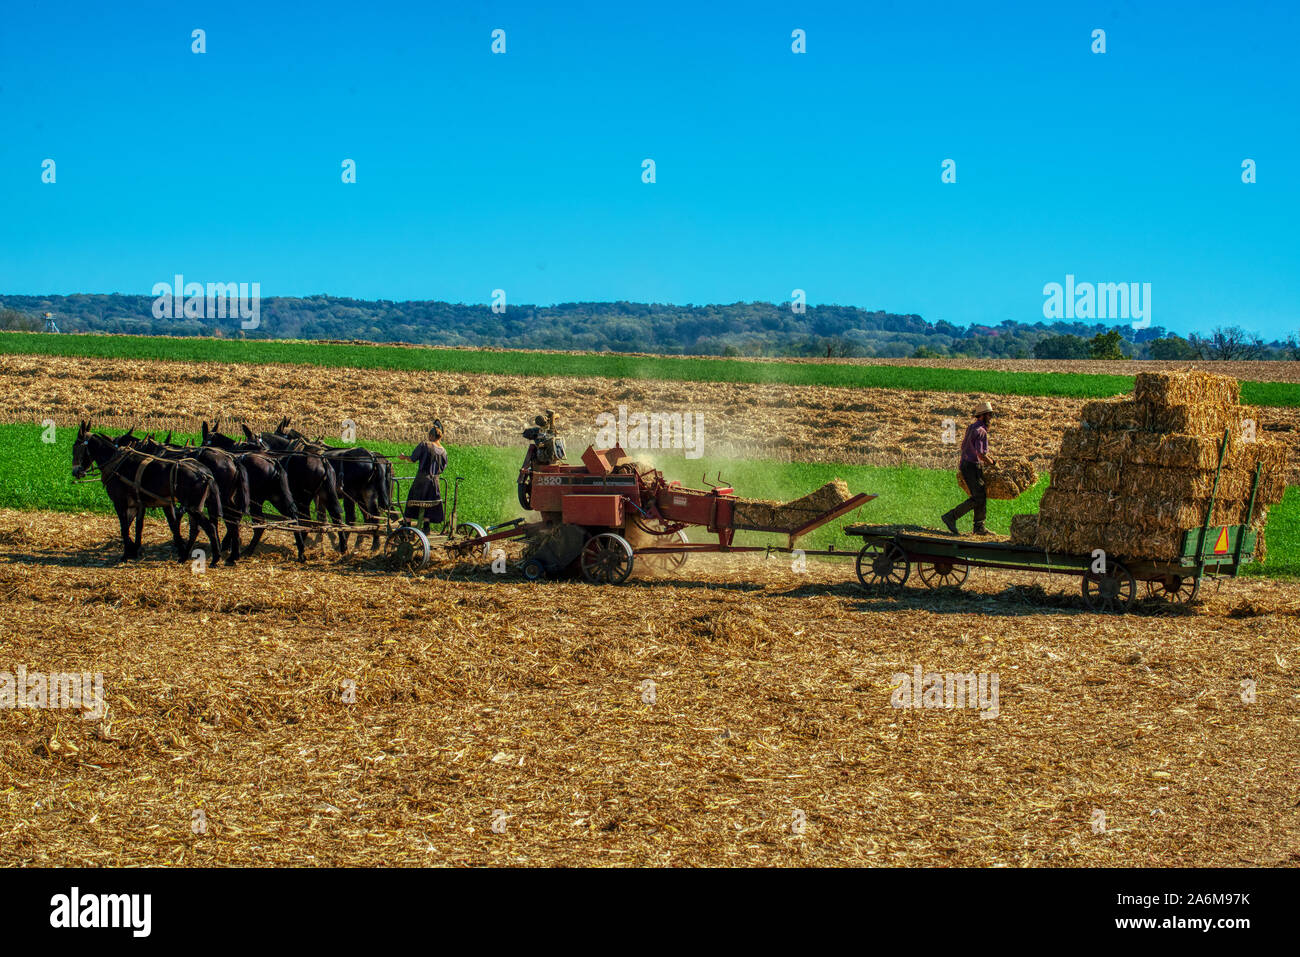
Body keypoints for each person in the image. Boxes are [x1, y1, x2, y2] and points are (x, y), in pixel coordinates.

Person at [941, 401, 995, 536]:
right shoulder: (981, 431)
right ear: (983, 416)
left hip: (965, 464)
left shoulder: (971, 427)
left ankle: (979, 527)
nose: (991, 418)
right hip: (972, 466)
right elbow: (981, 454)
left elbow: (963, 446)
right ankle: (951, 516)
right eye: (989, 415)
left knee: (980, 494)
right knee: (978, 497)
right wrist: (993, 463)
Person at [400, 423, 448, 532]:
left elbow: (412, 459)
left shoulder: (425, 445)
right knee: (428, 503)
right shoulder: (444, 451)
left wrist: (404, 457)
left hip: (421, 481)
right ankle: (426, 526)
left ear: (431, 436)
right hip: (435, 482)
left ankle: (406, 526)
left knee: (411, 502)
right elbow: (443, 467)